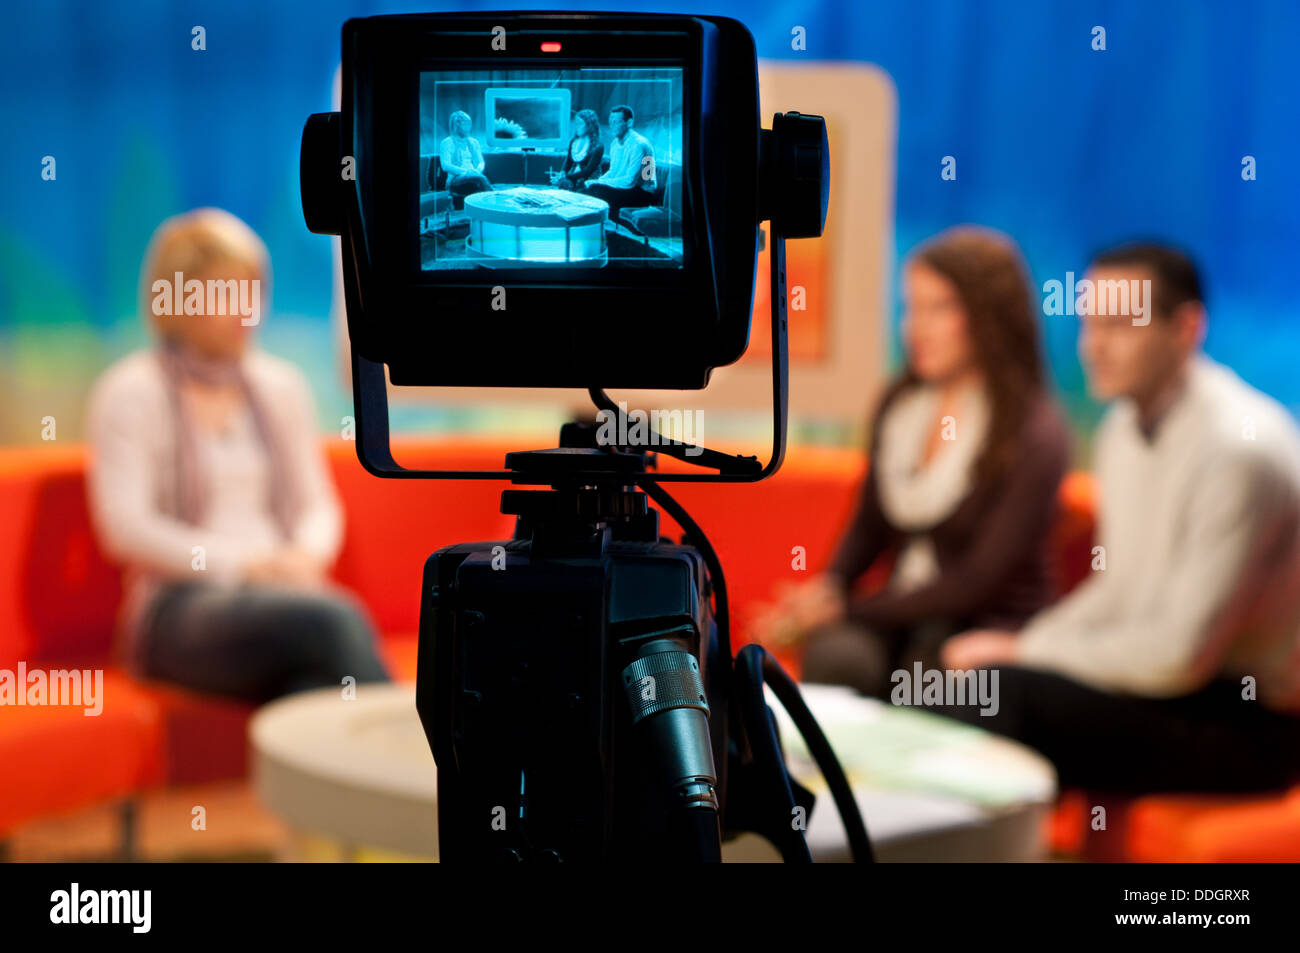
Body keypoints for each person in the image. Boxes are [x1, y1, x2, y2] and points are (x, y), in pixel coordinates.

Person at [938, 243, 1300, 793]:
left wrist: (1024, 651)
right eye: (1088, 324)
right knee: (957, 680)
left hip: (1248, 719)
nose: (1093, 347)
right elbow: (1119, 591)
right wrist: (1019, 646)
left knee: (998, 697)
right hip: (1168, 690)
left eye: (1118, 325)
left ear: (1186, 327)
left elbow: (1181, 658)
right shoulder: (1121, 430)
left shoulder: (1238, 450)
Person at [86, 208, 392, 703]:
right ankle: (411, 753)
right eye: (226, 293)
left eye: (254, 290)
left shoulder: (280, 385)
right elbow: (125, 528)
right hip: (179, 607)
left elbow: (317, 506)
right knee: (334, 620)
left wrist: (302, 558)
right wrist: (246, 566)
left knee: (314, 685)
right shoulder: (131, 391)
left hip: (283, 597)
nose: (246, 310)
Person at [752, 227, 1070, 699]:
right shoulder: (900, 404)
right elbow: (868, 526)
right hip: (900, 612)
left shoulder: (1036, 433)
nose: (916, 328)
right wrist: (828, 591)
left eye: (939, 309)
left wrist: (847, 610)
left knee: (930, 675)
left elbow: (976, 582)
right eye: (911, 307)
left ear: (990, 315)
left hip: (985, 622)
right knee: (838, 656)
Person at [581, 105, 657, 218]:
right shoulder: (615, 144)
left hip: (643, 192)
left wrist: (600, 183)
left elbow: (630, 181)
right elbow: (613, 171)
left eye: (616, 122)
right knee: (586, 188)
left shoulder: (638, 144)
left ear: (629, 123)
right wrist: (597, 181)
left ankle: (606, 223)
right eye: (610, 122)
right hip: (626, 187)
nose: (611, 125)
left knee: (597, 190)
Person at [439, 110, 491, 199]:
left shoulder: (474, 142)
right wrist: (467, 172)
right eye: (465, 124)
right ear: (455, 125)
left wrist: (477, 170)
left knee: (478, 179)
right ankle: (491, 200)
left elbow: (481, 162)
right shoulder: (447, 142)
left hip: (475, 175)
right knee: (479, 179)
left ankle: (488, 200)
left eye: (469, 124)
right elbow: (445, 166)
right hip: (455, 178)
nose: (468, 127)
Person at [549, 109, 604, 192]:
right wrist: (563, 173)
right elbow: (568, 162)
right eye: (576, 123)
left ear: (589, 125)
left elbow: (588, 171)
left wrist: (566, 177)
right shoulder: (574, 142)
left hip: (589, 179)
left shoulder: (598, 146)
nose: (577, 126)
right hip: (574, 176)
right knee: (562, 185)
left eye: (580, 124)